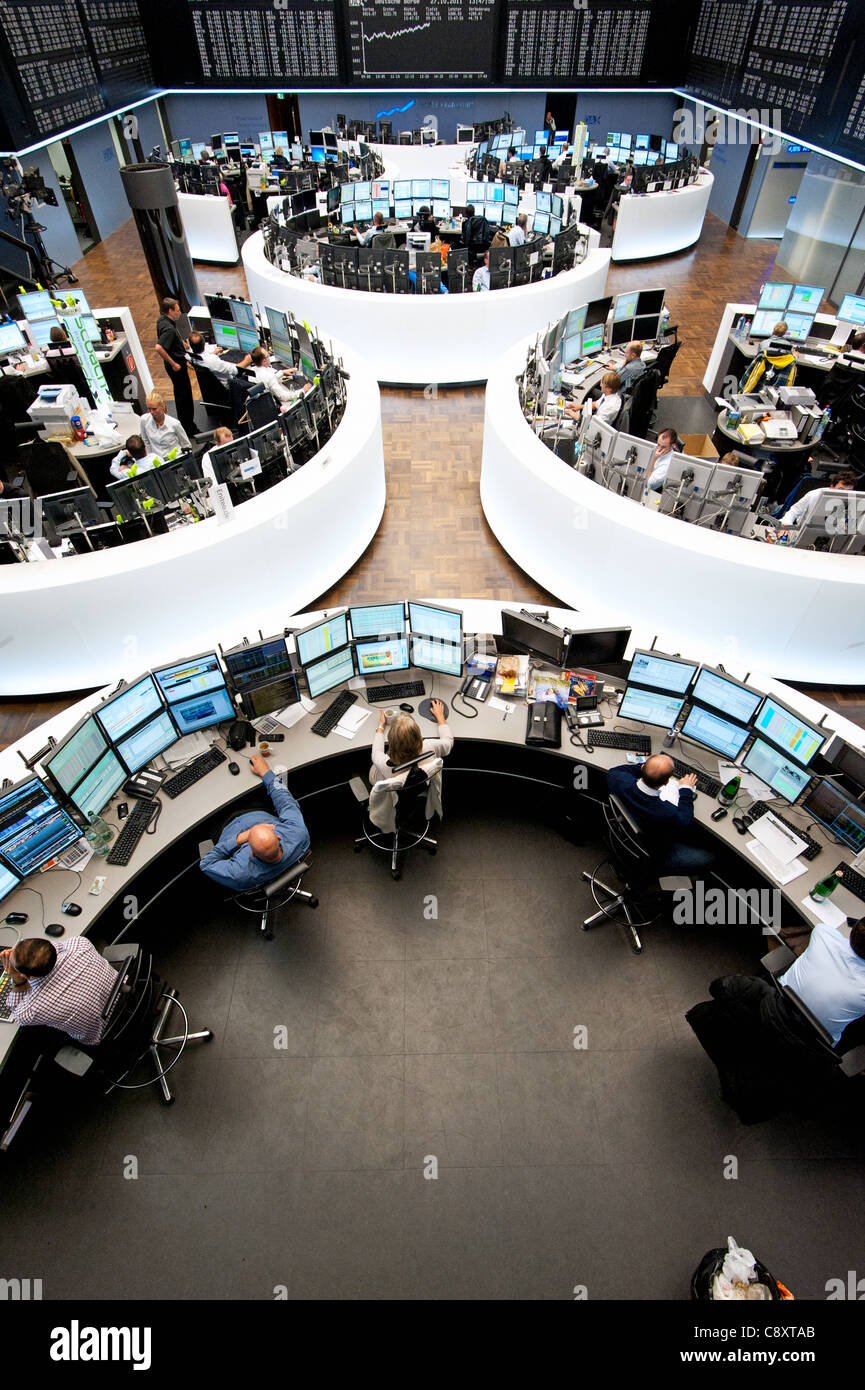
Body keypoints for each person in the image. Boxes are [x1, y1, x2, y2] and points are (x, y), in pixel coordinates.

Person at [200, 755, 310, 892]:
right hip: (256, 809)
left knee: (204, 819)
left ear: (252, 853)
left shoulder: (239, 874)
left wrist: (240, 838)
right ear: (278, 837)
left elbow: (206, 864)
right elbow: (285, 802)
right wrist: (266, 772)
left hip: (224, 825)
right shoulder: (297, 834)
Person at [607, 754, 715, 875]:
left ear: (642, 768)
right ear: (667, 782)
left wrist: (649, 769)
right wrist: (686, 789)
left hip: (623, 832)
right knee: (709, 857)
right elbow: (686, 821)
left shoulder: (618, 780)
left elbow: (616, 770)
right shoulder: (666, 812)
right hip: (654, 851)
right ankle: (692, 880)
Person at [0, 937, 117, 1046]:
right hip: (123, 995)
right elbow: (57, 946)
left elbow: (17, 1013)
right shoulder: (80, 944)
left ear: (26, 976)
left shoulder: (32, 1009)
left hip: (103, 1033)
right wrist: (29, 952)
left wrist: (17, 980)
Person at [370, 702, 453, 786]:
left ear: (391, 741)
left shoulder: (385, 764)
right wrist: (440, 716)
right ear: (419, 735)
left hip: (394, 787)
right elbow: (448, 742)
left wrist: (380, 725)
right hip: (424, 783)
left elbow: (376, 752)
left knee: (373, 771)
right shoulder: (430, 747)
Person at [154, 296, 197, 440]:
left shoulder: (162, 321)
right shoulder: (169, 330)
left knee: (180, 396)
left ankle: (187, 425)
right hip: (177, 367)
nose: (179, 313)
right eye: (177, 310)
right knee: (184, 398)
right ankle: (189, 428)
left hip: (173, 365)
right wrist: (174, 363)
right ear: (170, 311)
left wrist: (181, 343)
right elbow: (159, 347)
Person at [778, 469, 858, 528]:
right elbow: (794, 511)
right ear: (832, 487)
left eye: (849, 491)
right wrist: (786, 525)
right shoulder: (815, 495)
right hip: (806, 529)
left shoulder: (853, 499)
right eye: (841, 489)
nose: (844, 494)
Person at [139, 391, 192, 457]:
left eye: (154, 409)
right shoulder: (144, 420)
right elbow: (145, 441)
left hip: (175, 459)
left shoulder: (174, 423)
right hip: (157, 460)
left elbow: (186, 445)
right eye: (149, 409)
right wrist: (150, 458)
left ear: (162, 406)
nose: (151, 412)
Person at [643, 427, 678, 494]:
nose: (658, 449)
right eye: (658, 444)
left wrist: (654, 459)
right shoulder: (655, 448)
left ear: (672, 446)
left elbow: (648, 483)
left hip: (650, 492)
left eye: (663, 447)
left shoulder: (668, 464)